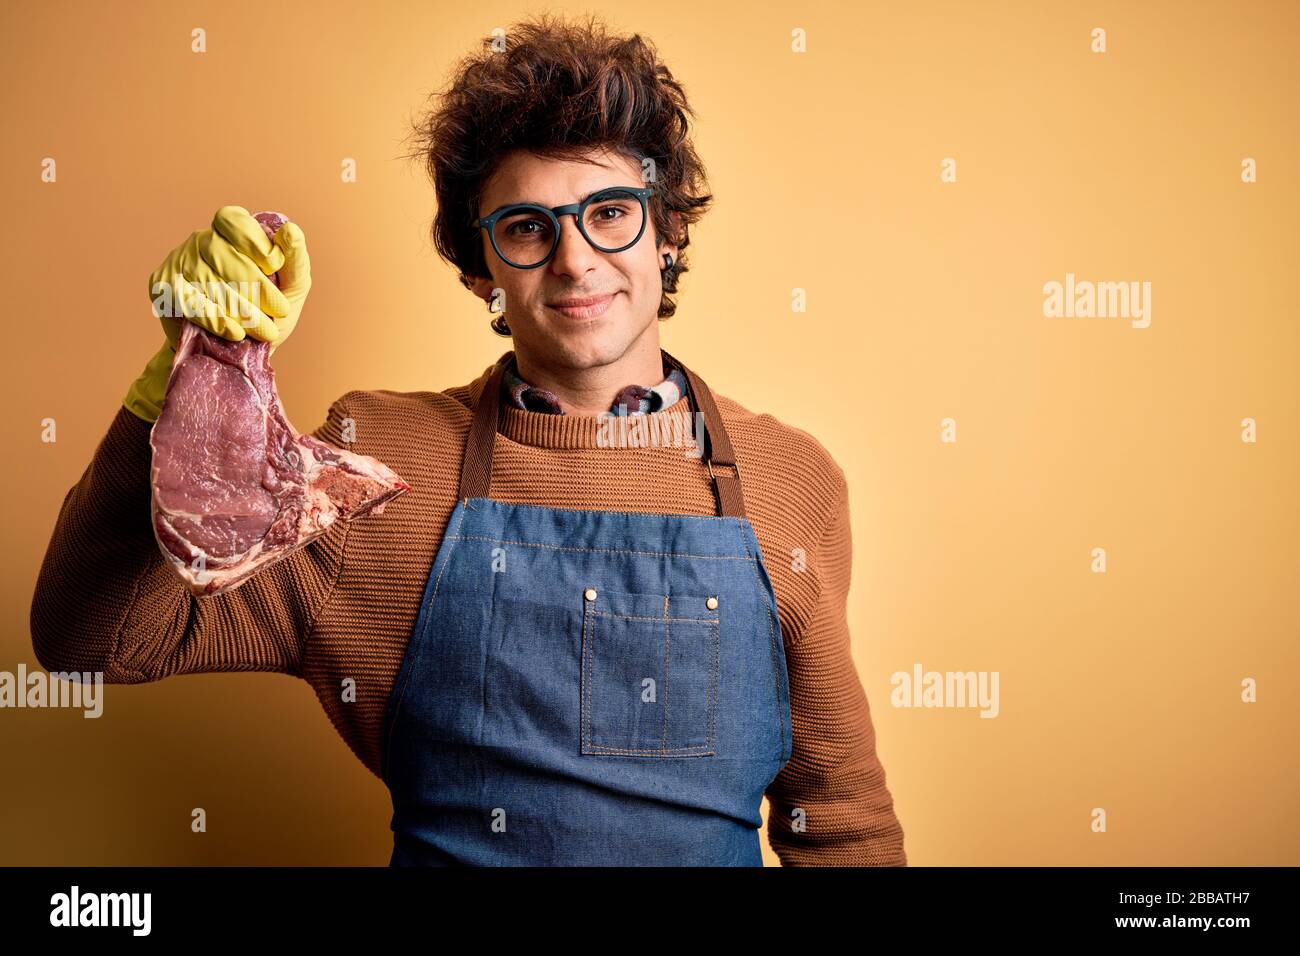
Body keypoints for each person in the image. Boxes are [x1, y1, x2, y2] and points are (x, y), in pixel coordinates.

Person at [30, 12, 906, 867]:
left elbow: (838, 817)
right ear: (481, 264)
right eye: (527, 227)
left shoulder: (791, 479)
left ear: (668, 232)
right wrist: (188, 373)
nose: (573, 259)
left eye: (610, 212)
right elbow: (96, 641)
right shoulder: (380, 464)